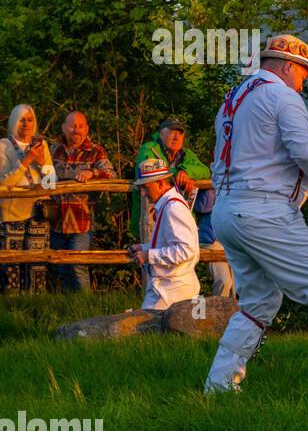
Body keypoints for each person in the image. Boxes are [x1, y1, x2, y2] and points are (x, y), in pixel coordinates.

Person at [203, 33, 308, 394]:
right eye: (304, 72)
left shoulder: (232, 99)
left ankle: (219, 384)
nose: (305, 81)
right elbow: (307, 156)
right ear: (288, 66)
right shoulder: (283, 97)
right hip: (266, 210)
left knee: (258, 301)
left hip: (227, 210)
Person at [132, 117, 232, 296]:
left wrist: (187, 171)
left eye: (180, 133)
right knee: (171, 287)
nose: (176, 137)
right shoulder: (149, 149)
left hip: (179, 285)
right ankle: (194, 314)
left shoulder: (176, 206)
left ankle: (202, 315)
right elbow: (148, 171)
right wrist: (178, 174)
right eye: (171, 132)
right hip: (152, 217)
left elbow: (204, 170)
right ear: (161, 133)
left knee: (187, 287)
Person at [50, 111, 115, 292]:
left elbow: (112, 174)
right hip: (57, 220)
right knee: (63, 268)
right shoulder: (53, 150)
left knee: (78, 266)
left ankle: (86, 310)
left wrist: (93, 173)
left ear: (86, 129)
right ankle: (70, 311)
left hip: (82, 221)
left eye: (80, 126)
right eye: (72, 126)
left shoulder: (95, 152)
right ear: (64, 128)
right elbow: (43, 176)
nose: (76, 130)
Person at [127, 157, 200, 310]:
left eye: (146, 187)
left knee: (144, 330)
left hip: (174, 290)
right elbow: (168, 244)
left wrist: (148, 255)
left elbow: (186, 250)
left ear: (160, 183)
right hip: (167, 286)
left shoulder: (174, 208)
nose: (143, 193)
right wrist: (143, 247)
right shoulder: (169, 205)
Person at [0, 104, 55, 294]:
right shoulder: (4, 146)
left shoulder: (41, 144)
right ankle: (12, 304)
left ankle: (35, 301)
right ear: (15, 121)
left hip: (38, 210)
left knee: (36, 261)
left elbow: (50, 183)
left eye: (30, 119)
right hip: (12, 211)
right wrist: (26, 160)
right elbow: (3, 183)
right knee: (11, 262)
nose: (26, 124)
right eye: (22, 119)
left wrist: (41, 163)